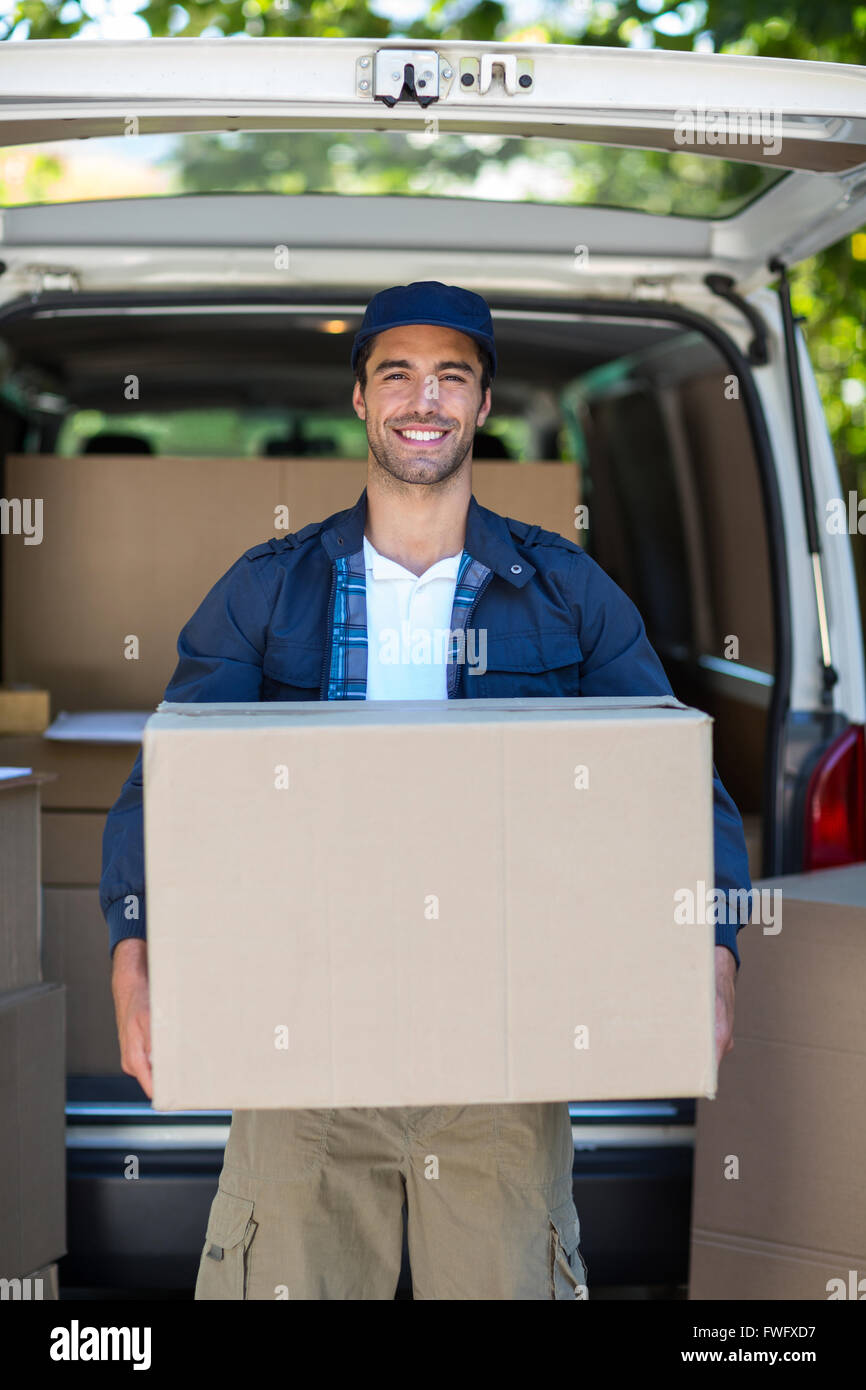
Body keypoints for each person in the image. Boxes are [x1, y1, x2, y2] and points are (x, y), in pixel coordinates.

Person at [100, 279, 750, 1300]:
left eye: (451, 376)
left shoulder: (567, 594)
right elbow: (168, 780)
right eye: (395, 373)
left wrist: (711, 946)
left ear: (482, 405)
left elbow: (670, 781)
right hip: (299, 1036)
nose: (423, 399)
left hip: (498, 1044)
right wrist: (134, 956)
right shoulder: (269, 588)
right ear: (359, 399)